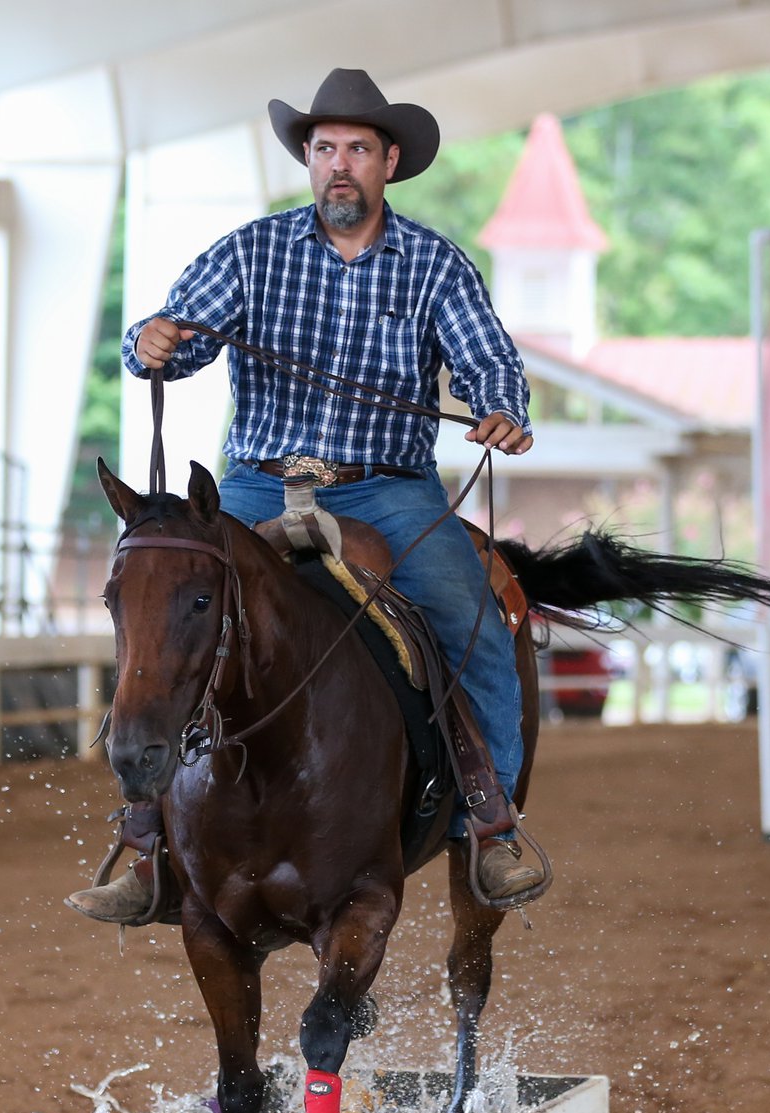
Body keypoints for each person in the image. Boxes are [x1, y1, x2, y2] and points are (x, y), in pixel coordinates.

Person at [68, 68, 539, 925]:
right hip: (253, 480)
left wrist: (504, 408)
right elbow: (164, 342)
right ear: (309, 161)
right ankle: (142, 843)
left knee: (473, 616)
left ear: (389, 162)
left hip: (389, 487)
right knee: (168, 602)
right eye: (324, 149)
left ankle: (491, 821)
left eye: (358, 149)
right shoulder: (253, 251)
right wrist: (151, 339)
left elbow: (489, 360)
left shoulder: (434, 264)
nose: (339, 166)